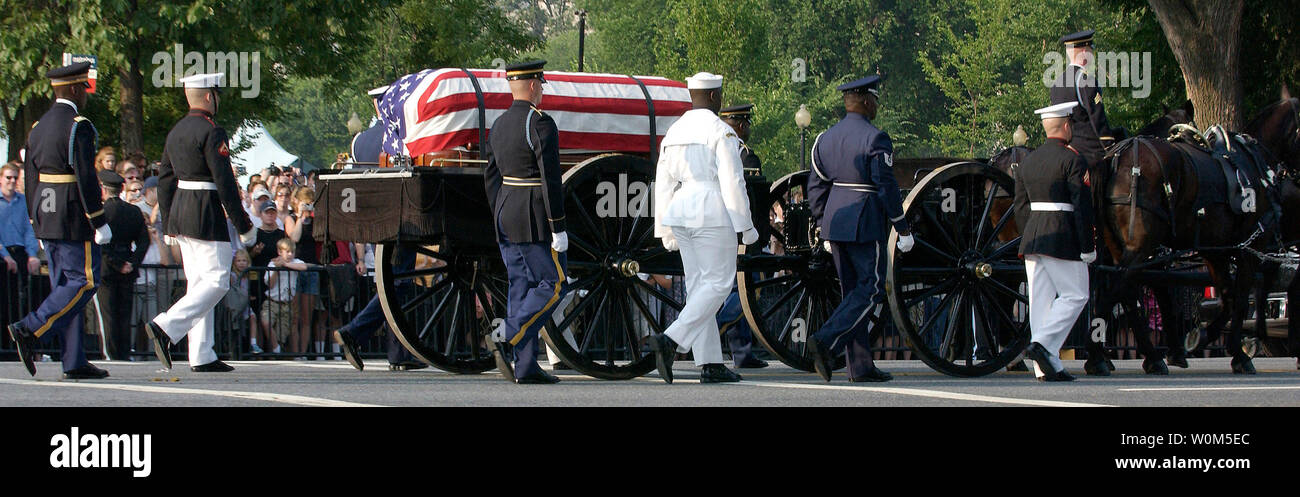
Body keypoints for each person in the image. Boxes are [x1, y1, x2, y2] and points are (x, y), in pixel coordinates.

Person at [142, 72, 258, 373]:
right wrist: (243, 224)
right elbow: (224, 183)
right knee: (217, 280)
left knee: (198, 283)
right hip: (204, 212)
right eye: (217, 94)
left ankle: (201, 353)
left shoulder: (176, 131)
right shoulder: (213, 131)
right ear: (210, 96)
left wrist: (168, 222)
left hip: (181, 212)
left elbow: (165, 180)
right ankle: (166, 325)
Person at [648, 71, 757, 384]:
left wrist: (664, 228)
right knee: (719, 283)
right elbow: (733, 182)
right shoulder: (720, 131)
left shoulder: (674, 131)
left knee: (699, 287)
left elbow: (664, 182)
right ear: (713, 96)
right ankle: (670, 340)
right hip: (711, 208)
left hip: (681, 210)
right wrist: (745, 226)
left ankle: (709, 362)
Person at [805, 74, 914, 383]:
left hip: (835, 222)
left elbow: (816, 186)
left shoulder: (824, 138)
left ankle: (861, 366)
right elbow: (885, 185)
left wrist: (820, 222)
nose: (877, 106)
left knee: (852, 294)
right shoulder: (876, 138)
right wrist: (902, 227)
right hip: (865, 222)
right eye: (875, 100)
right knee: (871, 290)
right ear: (867, 101)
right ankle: (824, 340)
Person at [7, 62, 111, 379]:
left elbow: (32, 177)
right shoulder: (78, 125)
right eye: (85, 91)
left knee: (63, 288)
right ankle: (31, 328)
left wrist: (35, 218)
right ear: (77, 89)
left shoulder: (38, 127)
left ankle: (74, 359)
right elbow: (86, 177)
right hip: (72, 216)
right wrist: (99, 219)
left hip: (46, 215)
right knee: (84, 281)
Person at [481, 60, 569, 384]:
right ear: (533, 86)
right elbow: (551, 179)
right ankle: (506, 333)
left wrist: (499, 212)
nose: (542, 89)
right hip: (531, 214)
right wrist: (558, 226)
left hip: (505, 209)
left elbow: (491, 176)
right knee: (553, 284)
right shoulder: (540, 123)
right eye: (541, 84)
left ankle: (526, 366)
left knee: (520, 287)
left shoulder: (499, 124)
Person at [333, 85, 426, 371]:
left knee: (392, 283)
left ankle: (398, 353)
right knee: (398, 283)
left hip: (375, 221)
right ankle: (355, 331)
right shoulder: (404, 135)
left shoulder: (360, 141)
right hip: (402, 218)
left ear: (376, 107)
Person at [1013, 101, 1096, 382]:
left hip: (1034, 236)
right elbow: (1081, 206)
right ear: (1065, 126)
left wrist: (1029, 237)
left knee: (1040, 302)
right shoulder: (1073, 159)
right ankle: (1043, 344)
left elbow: (1020, 208)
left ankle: (1046, 367)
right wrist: (1087, 247)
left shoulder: (1028, 161)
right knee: (1077, 294)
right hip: (1061, 237)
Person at [716, 103, 766, 369]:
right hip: (739, 235)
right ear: (742, 125)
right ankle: (717, 324)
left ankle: (742, 353)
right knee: (748, 290)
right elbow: (752, 201)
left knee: (736, 289)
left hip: (716, 231)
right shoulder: (745, 156)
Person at [93, 170, 149, 360]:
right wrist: (132, 262)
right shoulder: (133, 211)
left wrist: (116, 263)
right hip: (127, 261)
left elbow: (99, 244)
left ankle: (111, 353)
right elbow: (144, 241)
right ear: (121, 189)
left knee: (108, 314)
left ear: (103, 189)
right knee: (125, 314)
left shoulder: (101, 213)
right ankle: (124, 352)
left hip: (107, 268)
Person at [1049, 29, 1124, 169]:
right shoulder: (1086, 79)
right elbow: (1097, 117)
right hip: (1091, 150)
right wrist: (1110, 146)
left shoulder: (1056, 83)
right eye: (1091, 50)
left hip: (1067, 148)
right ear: (1084, 52)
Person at [1, 161, 41, 332]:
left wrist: (32, 254)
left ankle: (18, 340)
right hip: (3, 254)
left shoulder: (23, 201)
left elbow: (28, 230)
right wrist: (5, 255)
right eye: (8, 177)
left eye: (14, 177)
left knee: (21, 301)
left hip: (20, 253)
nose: (11, 181)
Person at [261, 237, 307, 354]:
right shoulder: (272, 263)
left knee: (280, 334)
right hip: (272, 301)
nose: (290, 254)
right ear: (279, 252)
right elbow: (270, 284)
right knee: (266, 322)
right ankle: (276, 348)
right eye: (287, 251)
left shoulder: (296, 262)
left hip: (287, 305)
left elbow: (304, 267)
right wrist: (277, 268)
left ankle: (275, 353)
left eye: (292, 252)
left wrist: (285, 264)